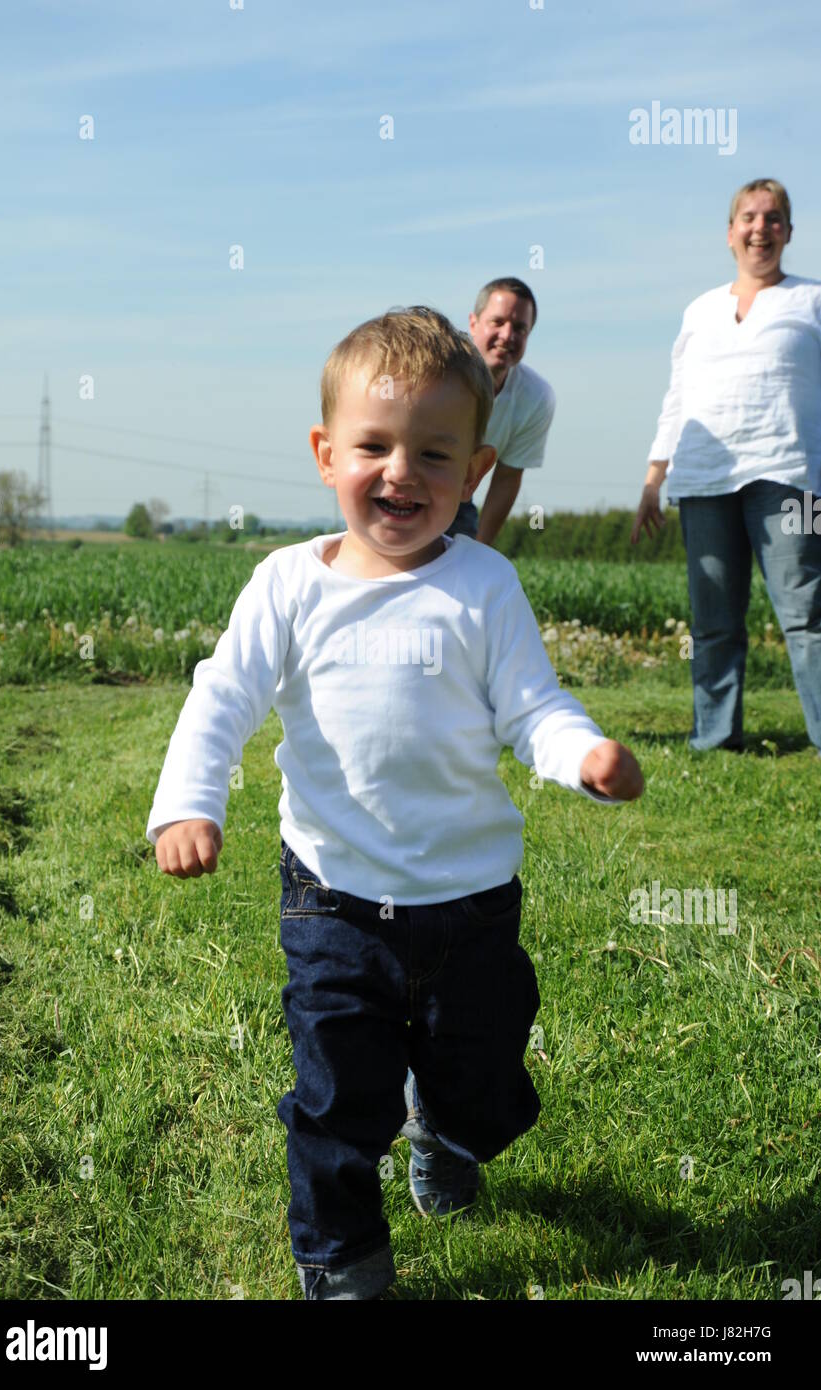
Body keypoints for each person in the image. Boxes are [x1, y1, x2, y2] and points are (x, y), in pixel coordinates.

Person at [146, 306, 644, 1301]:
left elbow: (531, 705)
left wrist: (581, 752)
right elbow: (222, 698)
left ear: (473, 470)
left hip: (468, 901)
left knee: (481, 1074)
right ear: (327, 453)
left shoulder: (483, 586)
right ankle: (339, 1259)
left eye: (433, 451)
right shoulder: (287, 584)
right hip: (331, 898)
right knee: (338, 1093)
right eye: (373, 446)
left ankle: (451, 1132)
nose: (400, 472)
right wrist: (187, 805)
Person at [631, 179, 821, 753]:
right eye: (748, 217)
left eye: (772, 218)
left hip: (789, 475)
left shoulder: (812, 300)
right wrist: (653, 477)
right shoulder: (700, 309)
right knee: (713, 619)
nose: (760, 228)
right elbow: (678, 396)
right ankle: (714, 737)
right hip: (704, 477)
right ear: (730, 232)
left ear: (787, 231)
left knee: (806, 613)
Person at [447, 276, 556, 544]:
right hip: (407, 484)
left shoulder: (536, 398)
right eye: (498, 322)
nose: (507, 336)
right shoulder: (439, 374)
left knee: (465, 575)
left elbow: (507, 477)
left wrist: (481, 549)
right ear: (473, 324)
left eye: (520, 328)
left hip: (458, 495)